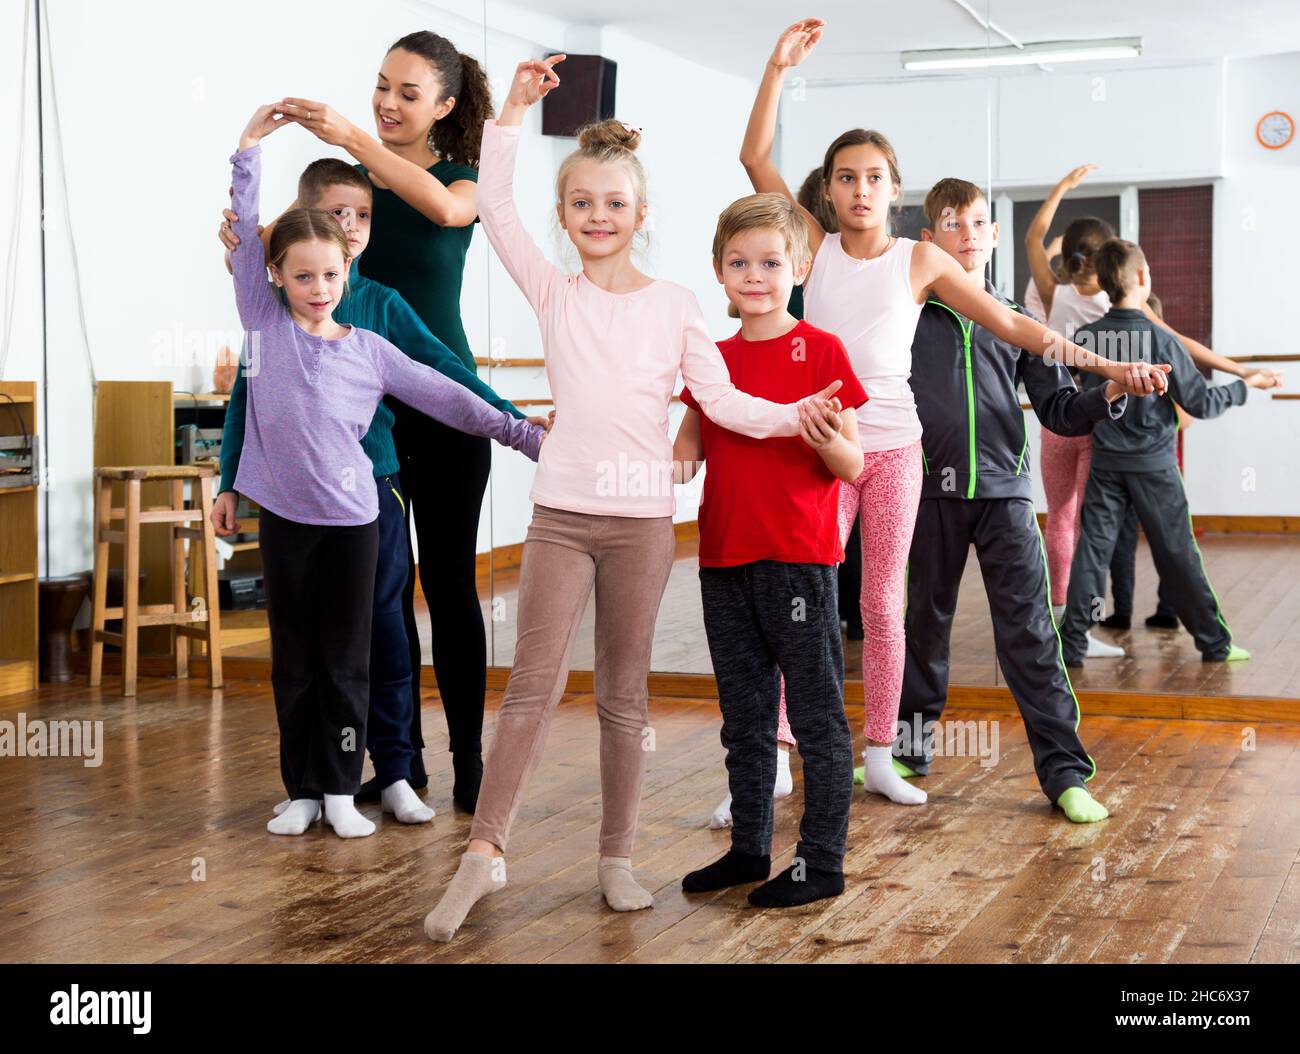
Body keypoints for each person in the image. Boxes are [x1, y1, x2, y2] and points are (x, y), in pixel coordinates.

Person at [423, 57, 844, 941]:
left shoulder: (678, 306)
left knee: (623, 696)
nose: (598, 217)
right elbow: (492, 208)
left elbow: (722, 403)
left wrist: (795, 412)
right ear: (566, 216)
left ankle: (616, 857)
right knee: (531, 687)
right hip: (562, 516)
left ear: (641, 215)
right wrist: (512, 110)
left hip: (644, 522)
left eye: (614, 204)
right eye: (581, 204)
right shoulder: (555, 292)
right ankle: (484, 852)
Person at [738, 18, 1165, 805]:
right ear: (828, 191)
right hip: (823, 444)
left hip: (899, 451)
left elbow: (1019, 327)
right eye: (844, 177)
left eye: (873, 177)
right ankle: (771, 758)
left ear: (894, 192)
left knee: (885, 606)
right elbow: (754, 156)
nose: (859, 189)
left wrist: (1109, 367)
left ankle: (887, 757)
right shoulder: (812, 248)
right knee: (803, 603)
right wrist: (775, 68)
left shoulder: (922, 260)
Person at [225, 104, 542, 838]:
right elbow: (246, 244)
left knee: (350, 657)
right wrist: (247, 150)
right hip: (285, 520)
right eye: (302, 274)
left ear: (348, 264)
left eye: (331, 273)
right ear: (275, 272)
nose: (319, 286)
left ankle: (349, 785)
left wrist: (525, 434)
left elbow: (448, 390)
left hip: (357, 518)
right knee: (293, 662)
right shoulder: (263, 322)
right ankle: (304, 789)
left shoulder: (370, 342)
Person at [895, 178, 1141, 824]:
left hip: (1005, 497)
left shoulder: (1020, 324)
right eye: (952, 224)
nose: (968, 233)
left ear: (996, 235)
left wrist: (1110, 393)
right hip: (929, 495)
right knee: (924, 626)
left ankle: (1064, 772)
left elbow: (1061, 409)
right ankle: (908, 751)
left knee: (1031, 636)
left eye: (978, 222)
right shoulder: (909, 316)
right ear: (930, 240)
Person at [677, 193, 866, 905]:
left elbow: (853, 466)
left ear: (801, 266)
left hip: (798, 558)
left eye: (770, 262)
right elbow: (684, 452)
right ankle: (749, 849)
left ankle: (822, 863)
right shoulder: (712, 361)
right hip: (722, 559)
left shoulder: (822, 352)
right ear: (719, 272)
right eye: (738, 263)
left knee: (815, 713)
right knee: (745, 718)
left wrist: (825, 439)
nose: (754, 275)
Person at [1060, 239, 1273, 666]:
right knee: (1177, 552)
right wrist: (1246, 385)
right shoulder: (1160, 338)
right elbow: (1201, 404)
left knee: (1092, 552)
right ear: (1142, 278)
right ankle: (1215, 644)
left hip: (1106, 463)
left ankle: (1071, 646)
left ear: (1102, 282)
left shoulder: (1085, 337)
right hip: (1155, 468)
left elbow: (1075, 393)